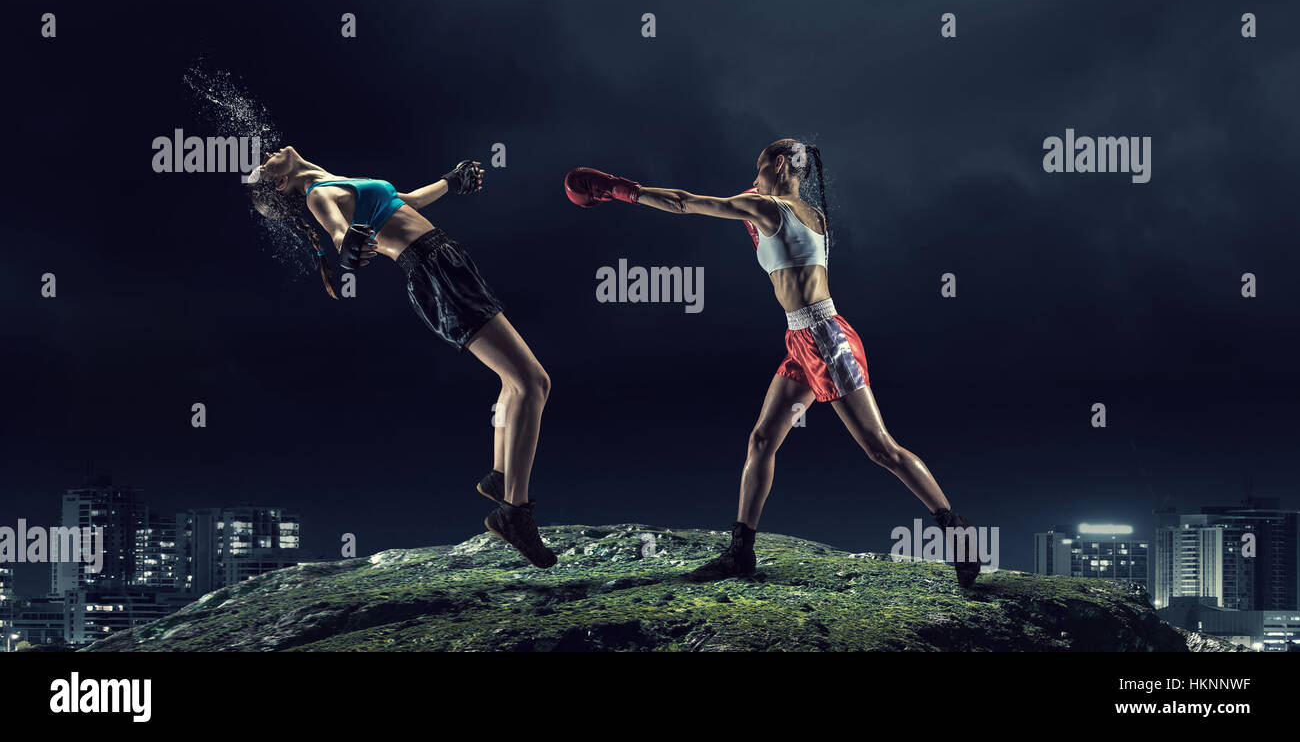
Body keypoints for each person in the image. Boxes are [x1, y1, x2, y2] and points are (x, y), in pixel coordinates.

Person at [564, 139, 980, 586]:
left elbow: (684, 203)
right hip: (803, 338)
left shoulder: (770, 209)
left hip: (825, 341)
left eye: (759, 170)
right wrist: (757, 206)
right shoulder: (810, 215)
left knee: (881, 447)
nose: (754, 179)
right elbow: (785, 250)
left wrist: (623, 190)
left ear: (778, 165)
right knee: (762, 440)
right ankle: (741, 552)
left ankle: (958, 534)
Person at [248, 146, 556, 567]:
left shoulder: (334, 179)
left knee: (514, 381)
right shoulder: (318, 195)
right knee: (532, 383)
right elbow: (340, 233)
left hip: (444, 261)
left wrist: (450, 181)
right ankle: (513, 514)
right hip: (434, 270)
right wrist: (348, 244)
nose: (266, 155)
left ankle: (501, 478)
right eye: (264, 167)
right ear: (282, 183)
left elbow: (402, 202)